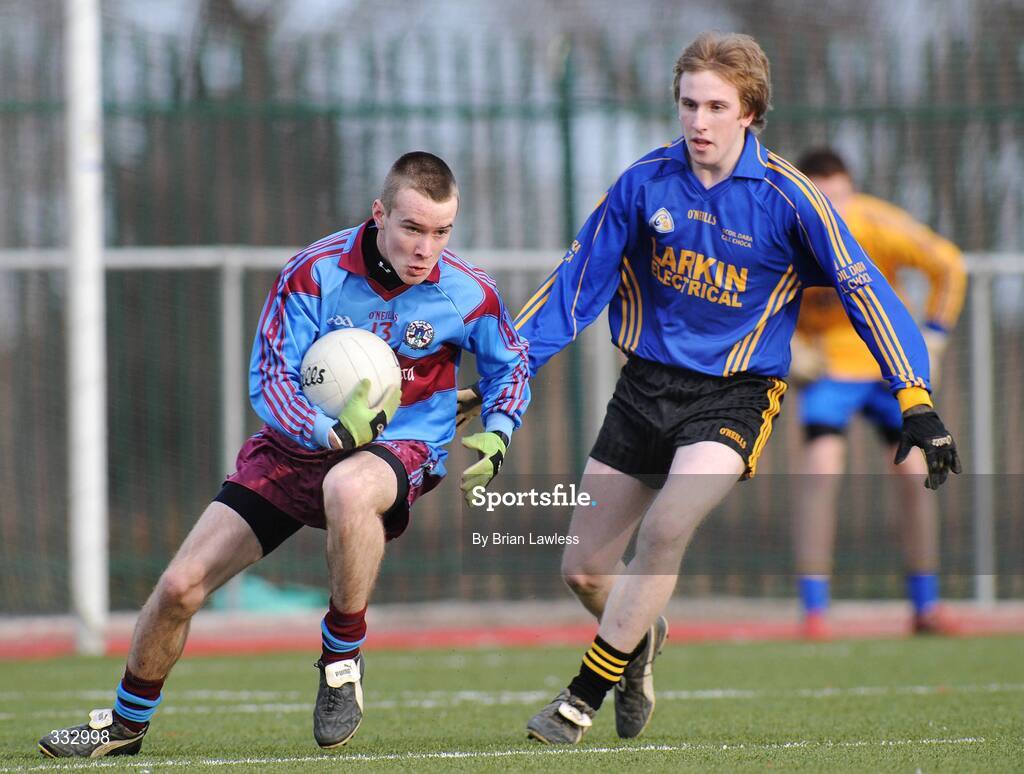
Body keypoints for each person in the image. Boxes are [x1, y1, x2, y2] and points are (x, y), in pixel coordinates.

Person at [460, 31, 960, 745]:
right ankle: (640, 638)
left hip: (737, 395)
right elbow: (573, 289)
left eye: (715, 106)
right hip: (644, 390)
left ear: (749, 112)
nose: (698, 121)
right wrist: (502, 372)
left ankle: (579, 700)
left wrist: (915, 396)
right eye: (688, 104)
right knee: (583, 570)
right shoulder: (643, 184)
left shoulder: (791, 198)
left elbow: (865, 291)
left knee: (666, 529)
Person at [39, 151, 531, 758]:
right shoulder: (312, 273)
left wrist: (499, 430)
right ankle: (124, 724)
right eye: (411, 228)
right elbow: (272, 377)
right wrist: (324, 431)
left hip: (402, 444)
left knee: (349, 489)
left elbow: (512, 363)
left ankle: (342, 658)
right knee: (180, 588)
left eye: (440, 231)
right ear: (379, 214)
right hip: (297, 446)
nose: (425, 248)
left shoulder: (469, 292)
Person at [789, 148, 966, 640]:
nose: (834, 212)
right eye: (822, 200)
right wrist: (791, 346)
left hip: (889, 369)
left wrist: (934, 334)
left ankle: (926, 605)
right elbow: (752, 298)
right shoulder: (786, 234)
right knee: (821, 471)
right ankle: (814, 611)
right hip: (829, 371)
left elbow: (949, 265)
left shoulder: (877, 224)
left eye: (840, 198)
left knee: (916, 476)